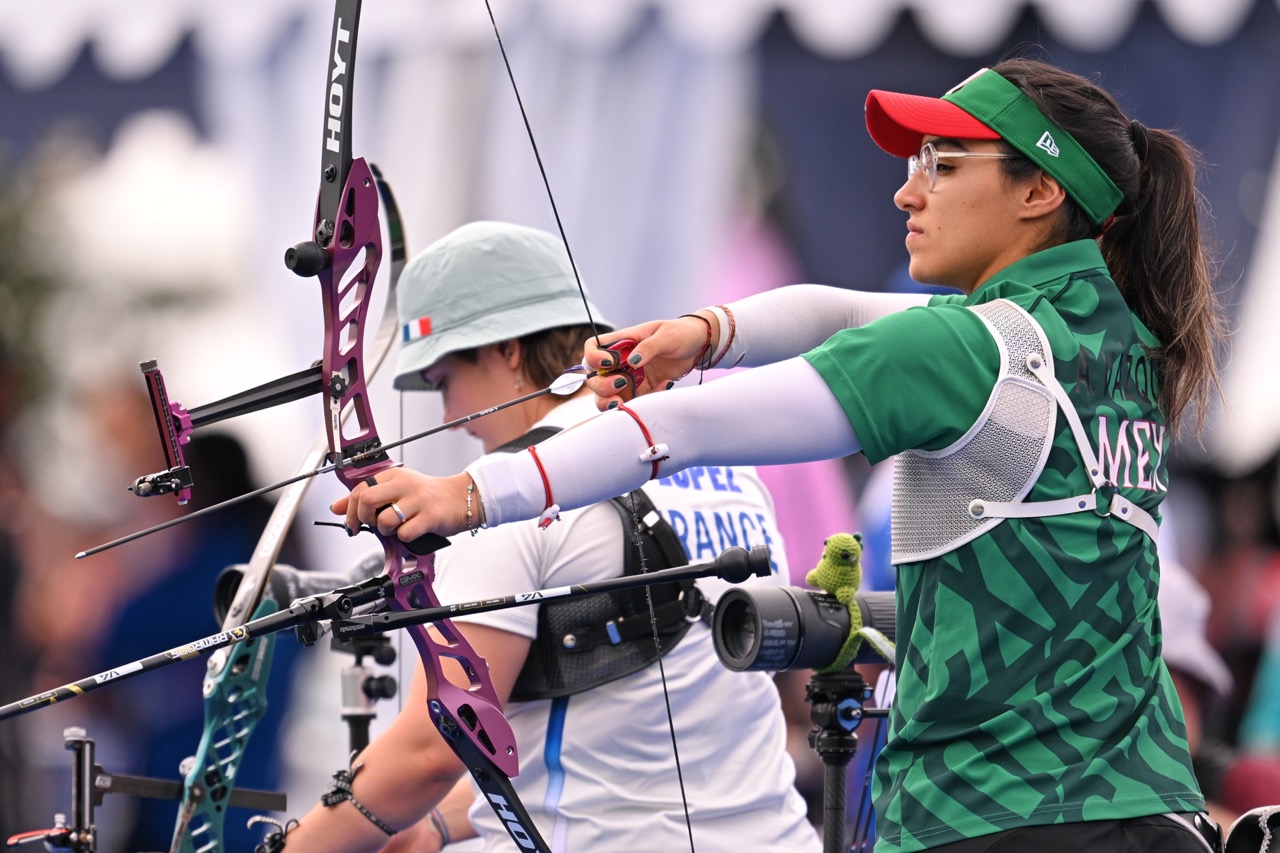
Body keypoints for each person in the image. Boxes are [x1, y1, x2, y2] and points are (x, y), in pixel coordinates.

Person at [339, 59, 1230, 852]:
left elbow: (680, 430)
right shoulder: (1108, 331)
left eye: (945, 167)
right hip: (1146, 808)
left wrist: (464, 496)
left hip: (1001, 817)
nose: (907, 193)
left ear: (1040, 192)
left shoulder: (963, 351)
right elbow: (837, 313)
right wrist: (704, 332)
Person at [279, 221, 821, 853]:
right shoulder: (726, 468)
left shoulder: (498, 499)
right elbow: (625, 721)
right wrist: (435, 823)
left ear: (506, 352)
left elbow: (437, 744)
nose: (451, 414)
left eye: (443, 378)